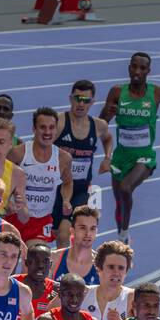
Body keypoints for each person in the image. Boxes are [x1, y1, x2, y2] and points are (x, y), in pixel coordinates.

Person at [99, 53, 160, 244]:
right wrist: (109, 112)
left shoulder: (159, 93)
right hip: (121, 156)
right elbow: (102, 122)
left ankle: (124, 234)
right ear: (129, 68)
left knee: (126, 188)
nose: (137, 71)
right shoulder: (117, 92)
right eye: (134, 67)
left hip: (144, 157)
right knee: (119, 201)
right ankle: (122, 238)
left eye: (142, 68)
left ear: (148, 71)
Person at [4, 107, 73, 248]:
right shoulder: (18, 153)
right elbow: (1, 179)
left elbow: (68, 182)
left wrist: (66, 200)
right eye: (42, 127)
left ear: (56, 130)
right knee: (7, 262)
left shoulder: (63, 158)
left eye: (51, 128)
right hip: (14, 218)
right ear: (34, 129)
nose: (47, 132)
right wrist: (7, 201)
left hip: (41, 221)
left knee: (39, 258)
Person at [52, 80, 112, 241]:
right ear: (70, 99)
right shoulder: (59, 122)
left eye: (86, 100)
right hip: (56, 188)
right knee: (56, 234)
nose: (81, 103)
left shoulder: (99, 126)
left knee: (70, 235)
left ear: (92, 102)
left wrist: (107, 158)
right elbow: (39, 145)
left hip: (81, 190)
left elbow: (108, 139)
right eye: (77, 98)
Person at [48, 206, 102, 285]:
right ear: (72, 231)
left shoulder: (101, 265)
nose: (88, 233)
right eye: (83, 228)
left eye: (92, 228)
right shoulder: (54, 259)